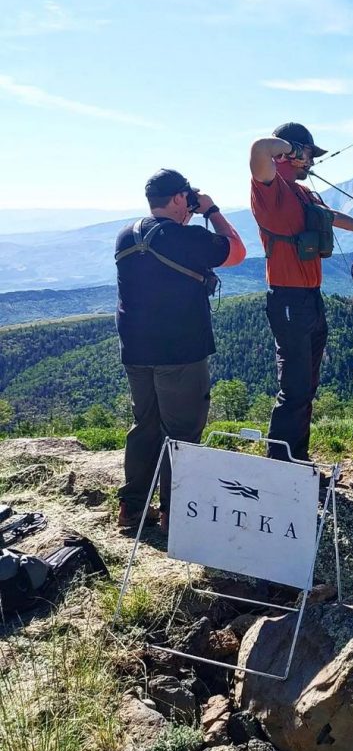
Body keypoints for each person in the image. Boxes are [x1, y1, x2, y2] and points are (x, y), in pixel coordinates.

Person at [114, 168, 246, 531]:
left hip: (136, 352)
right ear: (176, 199)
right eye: (185, 198)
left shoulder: (126, 236)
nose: (189, 204)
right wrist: (211, 210)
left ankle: (133, 510)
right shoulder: (187, 238)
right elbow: (237, 250)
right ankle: (177, 514)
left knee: (146, 426)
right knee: (183, 434)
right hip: (180, 352)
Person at [249, 122, 353, 461]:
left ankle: (298, 458)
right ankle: (280, 464)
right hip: (288, 298)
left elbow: (329, 216)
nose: (311, 162)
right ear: (290, 152)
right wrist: (291, 150)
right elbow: (257, 150)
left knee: (306, 386)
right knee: (294, 387)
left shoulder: (303, 192)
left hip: (310, 298)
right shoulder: (271, 191)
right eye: (308, 154)